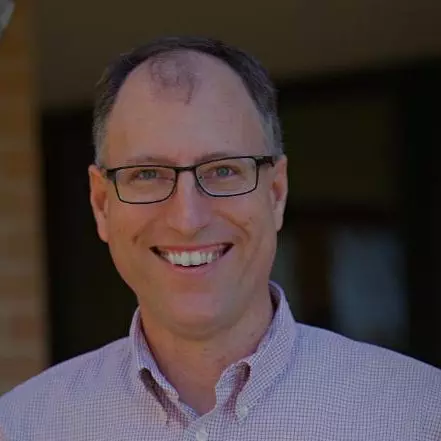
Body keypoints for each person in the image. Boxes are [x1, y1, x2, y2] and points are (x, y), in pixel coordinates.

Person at [0, 36, 440, 441]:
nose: (188, 219)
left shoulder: (418, 416)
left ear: (276, 193)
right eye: (147, 174)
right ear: (101, 204)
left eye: (223, 170)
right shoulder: (23, 425)